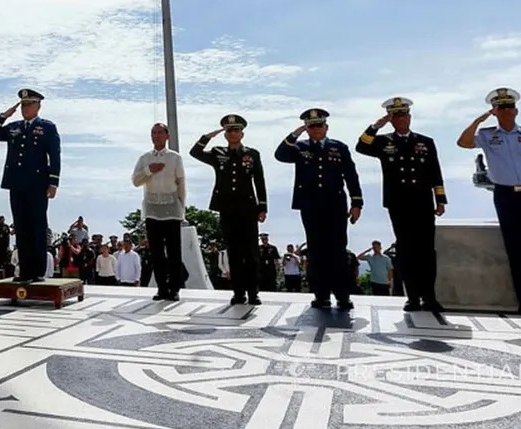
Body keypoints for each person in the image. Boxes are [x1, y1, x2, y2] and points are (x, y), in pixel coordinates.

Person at [457, 87, 521, 316]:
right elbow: (463, 142)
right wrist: (478, 119)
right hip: (506, 196)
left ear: (516, 110)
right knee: (516, 250)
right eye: (501, 108)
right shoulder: (486, 135)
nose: (507, 111)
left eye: (510, 107)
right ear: (495, 111)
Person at [355, 96, 447, 312]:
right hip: (399, 203)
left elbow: (435, 172)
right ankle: (412, 297)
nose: (400, 119)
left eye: (403, 114)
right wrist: (377, 125)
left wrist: (440, 199)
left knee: (426, 251)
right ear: (391, 118)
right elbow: (361, 145)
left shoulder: (425, 141)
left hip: (422, 201)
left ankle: (430, 297)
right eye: (395, 116)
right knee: (406, 250)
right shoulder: (384, 141)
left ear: (410, 117)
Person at [275, 108, 364, 311]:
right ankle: (321, 295)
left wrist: (357, 203)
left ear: (326, 126)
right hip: (311, 207)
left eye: (319, 125)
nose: (316, 129)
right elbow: (280, 154)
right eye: (311, 126)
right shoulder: (300, 147)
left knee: (338, 251)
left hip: (335, 206)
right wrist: (296, 132)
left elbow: (351, 175)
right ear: (307, 128)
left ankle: (342, 295)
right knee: (316, 251)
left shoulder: (339, 147)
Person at [189, 114, 267, 306]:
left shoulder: (252, 154)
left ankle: (253, 292)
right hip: (227, 208)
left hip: (248, 208)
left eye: (236, 130)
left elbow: (259, 180)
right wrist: (207, 137)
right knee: (233, 252)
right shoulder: (218, 152)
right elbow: (195, 153)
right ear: (225, 133)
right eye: (229, 130)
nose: (233, 133)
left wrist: (262, 206)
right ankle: (238, 293)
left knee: (250, 252)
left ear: (242, 132)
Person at [0, 88, 61, 284]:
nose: (26, 108)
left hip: (37, 184)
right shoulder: (14, 127)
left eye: (29, 104)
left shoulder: (47, 127)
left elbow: (54, 156)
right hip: (16, 183)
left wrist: (53, 182)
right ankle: (25, 269)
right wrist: (4, 115)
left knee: (37, 225)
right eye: (23, 105)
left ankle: (37, 270)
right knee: (21, 226)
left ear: (38, 106)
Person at [131, 122, 186, 301]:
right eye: (153, 133)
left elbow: (181, 183)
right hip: (152, 208)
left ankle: (175, 288)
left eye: (160, 133)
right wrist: (149, 170)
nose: (157, 136)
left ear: (167, 136)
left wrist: (181, 207)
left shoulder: (175, 157)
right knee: (156, 252)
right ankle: (162, 287)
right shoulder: (145, 158)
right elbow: (136, 181)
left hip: (171, 209)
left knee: (174, 252)